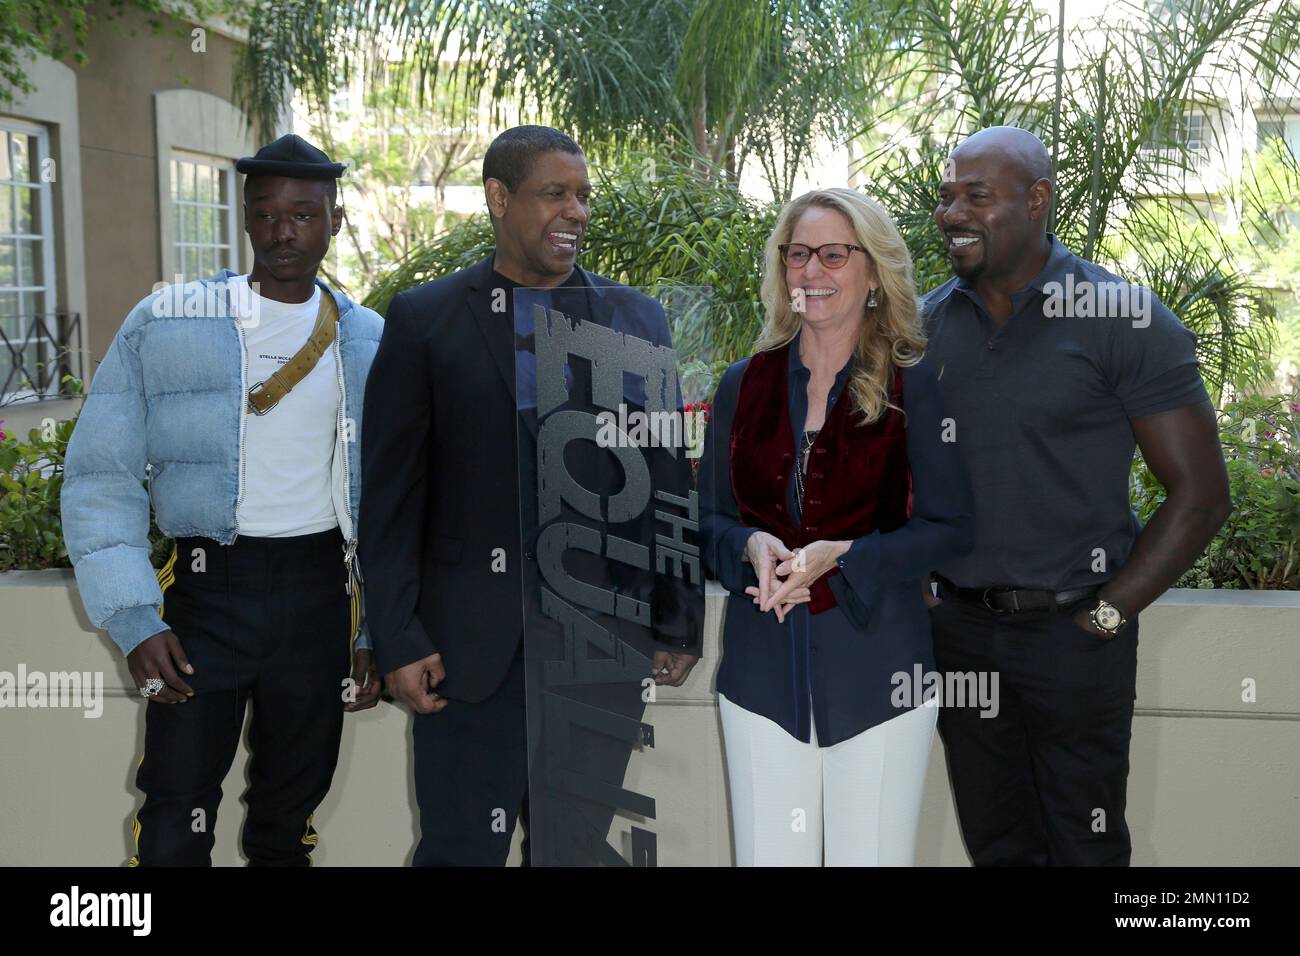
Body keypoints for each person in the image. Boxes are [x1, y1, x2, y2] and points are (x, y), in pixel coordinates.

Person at [360, 125, 700, 867]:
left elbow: (669, 476)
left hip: (598, 641)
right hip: (465, 651)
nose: (575, 211)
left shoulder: (635, 319)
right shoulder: (425, 319)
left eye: (583, 196)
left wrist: (677, 619)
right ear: (499, 198)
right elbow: (389, 498)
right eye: (555, 194)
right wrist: (398, 636)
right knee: (458, 850)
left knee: (572, 849)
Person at [61, 134, 384, 866]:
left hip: (319, 598)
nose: (283, 232)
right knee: (174, 813)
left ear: (335, 220)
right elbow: (100, 474)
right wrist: (135, 618)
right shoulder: (169, 322)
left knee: (288, 820)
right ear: (244, 218)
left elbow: (395, 498)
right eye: (266, 213)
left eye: (303, 214)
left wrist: (376, 630)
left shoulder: (367, 340)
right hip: (205, 594)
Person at [923, 126, 1232, 866]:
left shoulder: (1123, 319)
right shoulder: (924, 323)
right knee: (997, 844)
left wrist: (1107, 611)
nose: (951, 212)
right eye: (946, 196)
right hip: (959, 638)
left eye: (976, 195)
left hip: (1075, 635)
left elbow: (1201, 494)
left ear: (1037, 200)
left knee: (1084, 847)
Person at [698, 187, 975, 866]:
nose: (811, 273)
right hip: (761, 674)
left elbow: (951, 528)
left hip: (879, 671)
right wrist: (749, 545)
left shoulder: (917, 385)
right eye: (797, 256)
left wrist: (846, 555)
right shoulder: (744, 383)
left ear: (872, 272)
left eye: (832, 255)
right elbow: (706, 522)